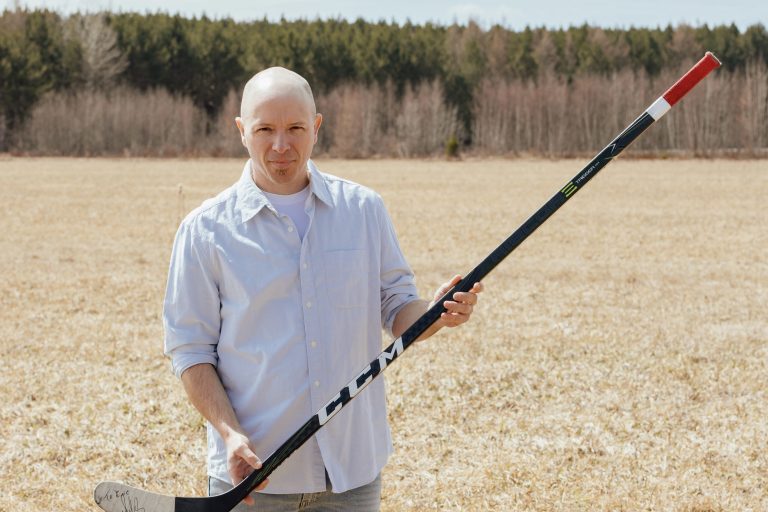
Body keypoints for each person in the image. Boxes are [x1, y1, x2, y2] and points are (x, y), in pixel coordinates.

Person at [163, 67, 483, 511]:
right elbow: (191, 351)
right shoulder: (204, 231)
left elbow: (398, 311)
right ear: (241, 131)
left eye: (295, 128)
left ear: (316, 126)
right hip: (253, 484)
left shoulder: (364, 210)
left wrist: (435, 313)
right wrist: (230, 434)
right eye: (265, 130)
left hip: (351, 475)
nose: (281, 145)